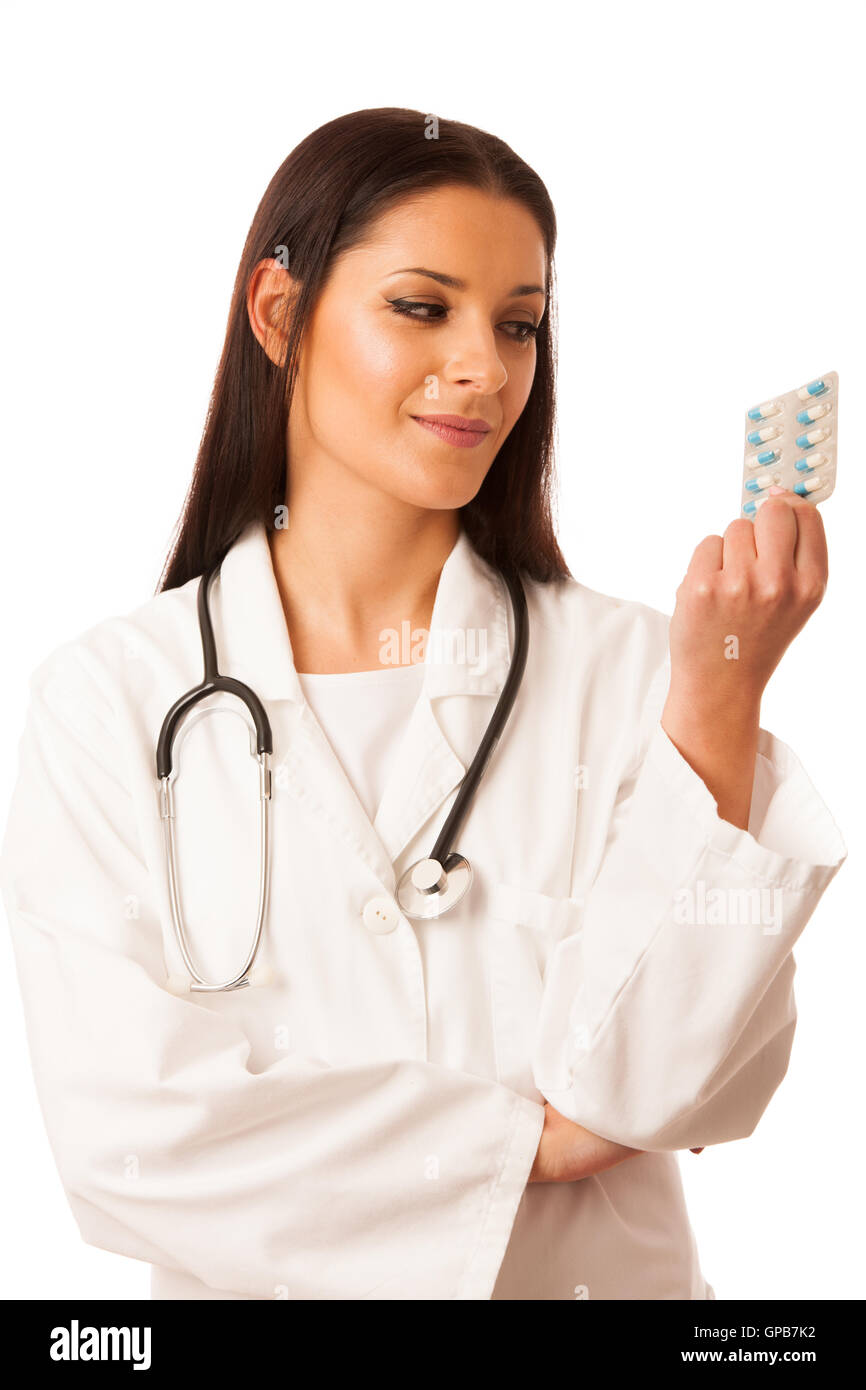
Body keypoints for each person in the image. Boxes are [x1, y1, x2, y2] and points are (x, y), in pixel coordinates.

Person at [0, 108, 847, 1301]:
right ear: (278, 315)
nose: (485, 369)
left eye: (517, 325)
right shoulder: (110, 704)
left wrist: (719, 699)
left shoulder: (637, 672)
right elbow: (132, 1143)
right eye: (421, 307)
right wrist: (531, 1143)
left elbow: (670, 1087)